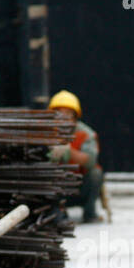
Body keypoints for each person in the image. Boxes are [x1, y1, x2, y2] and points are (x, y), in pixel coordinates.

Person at [48, 90, 104, 223]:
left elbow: (90, 161)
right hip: (55, 188)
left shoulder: (85, 134)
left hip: (79, 187)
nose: (63, 118)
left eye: (67, 114)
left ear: (75, 116)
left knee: (96, 173)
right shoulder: (46, 133)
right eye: (59, 113)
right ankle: (56, 213)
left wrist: (69, 152)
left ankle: (90, 213)